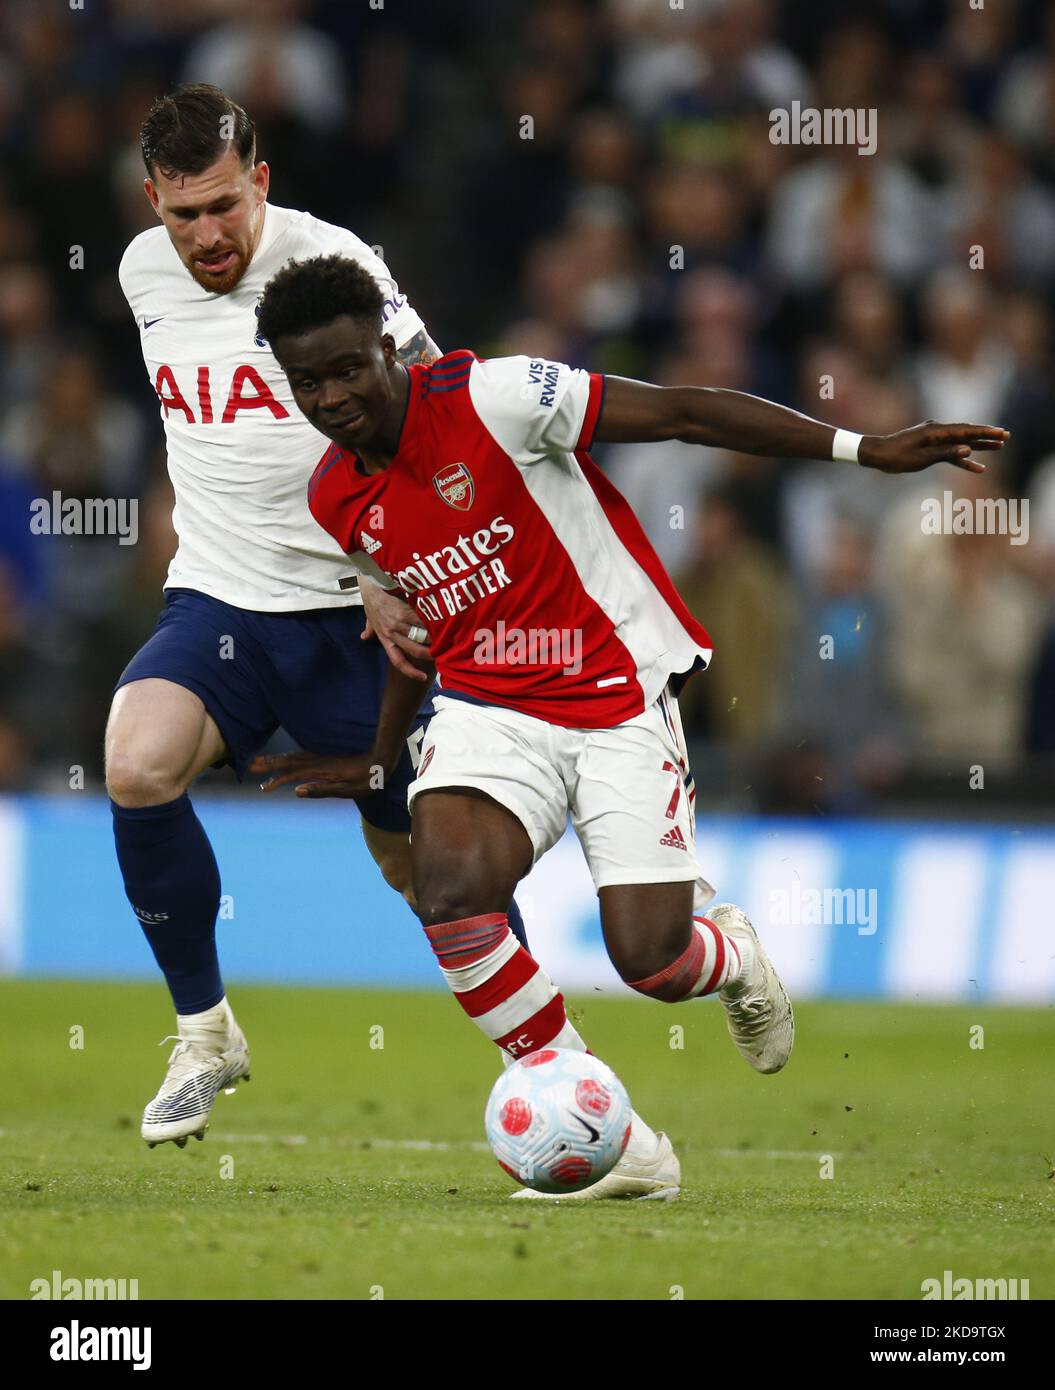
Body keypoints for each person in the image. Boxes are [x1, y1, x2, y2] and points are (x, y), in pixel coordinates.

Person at [250, 251, 1007, 1200]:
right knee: (447, 891)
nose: (332, 396)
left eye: (348, 367)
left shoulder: (498, 396)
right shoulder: (335, 496)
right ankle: (613, 1134)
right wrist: (376, 762)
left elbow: (686, 412)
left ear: (388, 348)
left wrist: (863, 449)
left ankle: (730, 957)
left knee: (648, 959)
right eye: (307, 380)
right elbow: (414, 628)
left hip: (616, 691)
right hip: (487, 707)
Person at [109, 84, 530, 1150]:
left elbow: (434, 405)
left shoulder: (334, 266)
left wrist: (405, 562)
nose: (204, 235)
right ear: (151, 200)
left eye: (221, 207)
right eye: (180, 213)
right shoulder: (137, 273)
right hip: (221, 603)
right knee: (135, 764)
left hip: (357, 614)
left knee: (428, 874)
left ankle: (552, 1070)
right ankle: (205, 1035)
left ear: (260, 180)